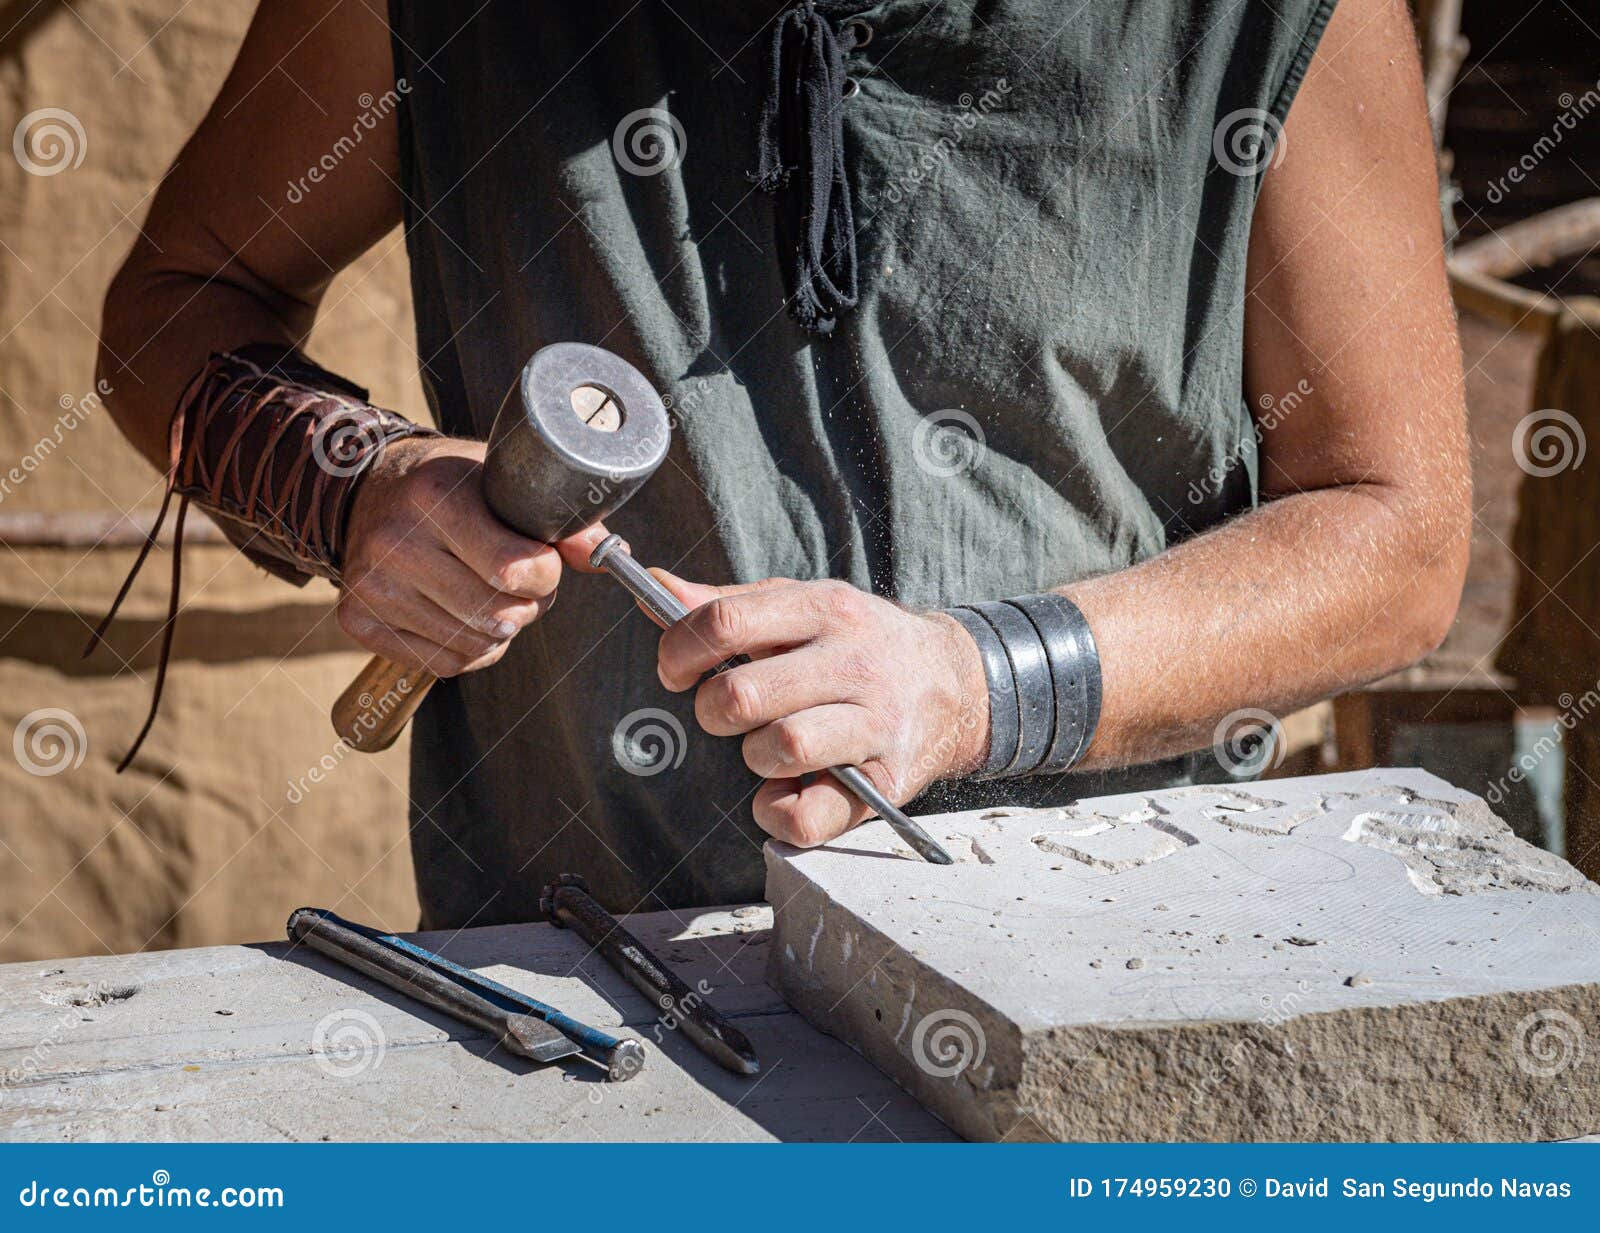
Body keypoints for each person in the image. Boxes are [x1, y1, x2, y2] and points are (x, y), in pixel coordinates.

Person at [97, 0, 1469, 926]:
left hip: (1116, 987)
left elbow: (1395, 534)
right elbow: (176, 304)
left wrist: (974, 683)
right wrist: (347, 483)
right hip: (598, 997)